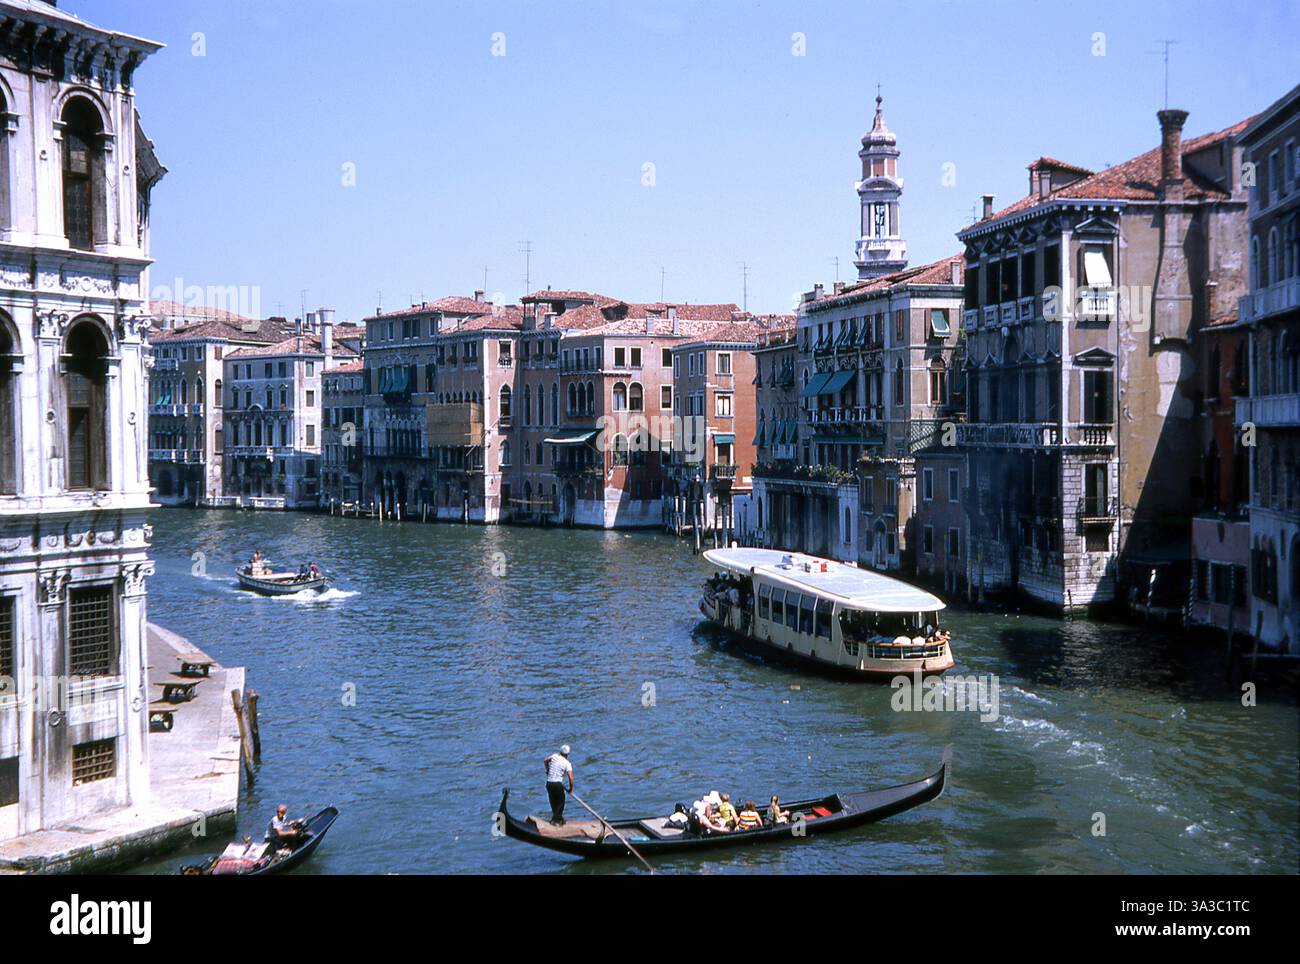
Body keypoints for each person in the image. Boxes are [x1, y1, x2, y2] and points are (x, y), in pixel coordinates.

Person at [543, 745, 574, 825]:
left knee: (553, 801)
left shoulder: (554, 756)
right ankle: (556, 820)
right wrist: (571, 789)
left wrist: (548, 770)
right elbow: (571, 778)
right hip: (557, 784)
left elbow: (545, 760)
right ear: (568, 754)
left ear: (560, 752)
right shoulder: (567, 763)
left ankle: (558, 818)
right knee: (560, 803)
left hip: (549, 783)